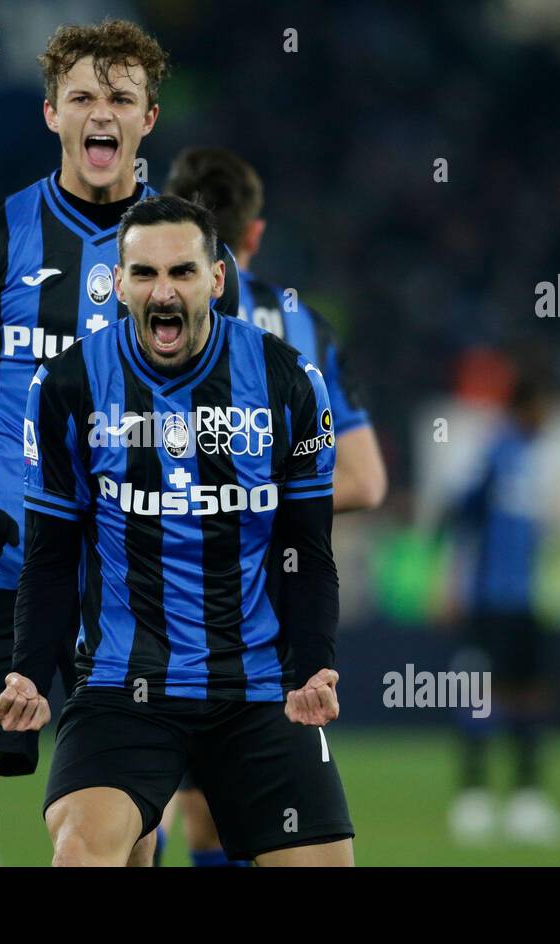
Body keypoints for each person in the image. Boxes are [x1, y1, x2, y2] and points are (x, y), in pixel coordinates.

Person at [0, 19, 239, 867]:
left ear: (149, 119)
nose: (101, 112)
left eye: (121, 97)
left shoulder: (179, 261)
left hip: (126, 602)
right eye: (83, 95)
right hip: (0, 573)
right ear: (52, 113)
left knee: (120, 846)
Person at [0, 195, 354, 866]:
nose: (165, 291)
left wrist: (314, 665)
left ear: (217, 279)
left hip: (256, 690)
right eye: (146, 274)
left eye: (183, 273)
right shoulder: (67, 384)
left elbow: (306, 549)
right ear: (119, 282)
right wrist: (28, 673)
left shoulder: (286, 382)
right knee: (80, 854)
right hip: (121, 691)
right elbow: (51, 559)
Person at [158, 146, 387, 864]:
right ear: (253, 234)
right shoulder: (300, 326)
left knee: (148, 812)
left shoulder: (130, 312)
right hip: (262, 612)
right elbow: (368, 482)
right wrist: (264, 511)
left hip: (143, 604)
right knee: (238, 819)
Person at [441, 373, 560, 845]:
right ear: (529, 405)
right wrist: (450, 580)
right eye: (548, 404)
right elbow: (461, 515)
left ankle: (525, 801)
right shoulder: (497, 452)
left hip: (528, 598)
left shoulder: (536, 457)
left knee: (532, 692)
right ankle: (472, 799)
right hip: (490, 597)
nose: (553, 415)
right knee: (482, 692)